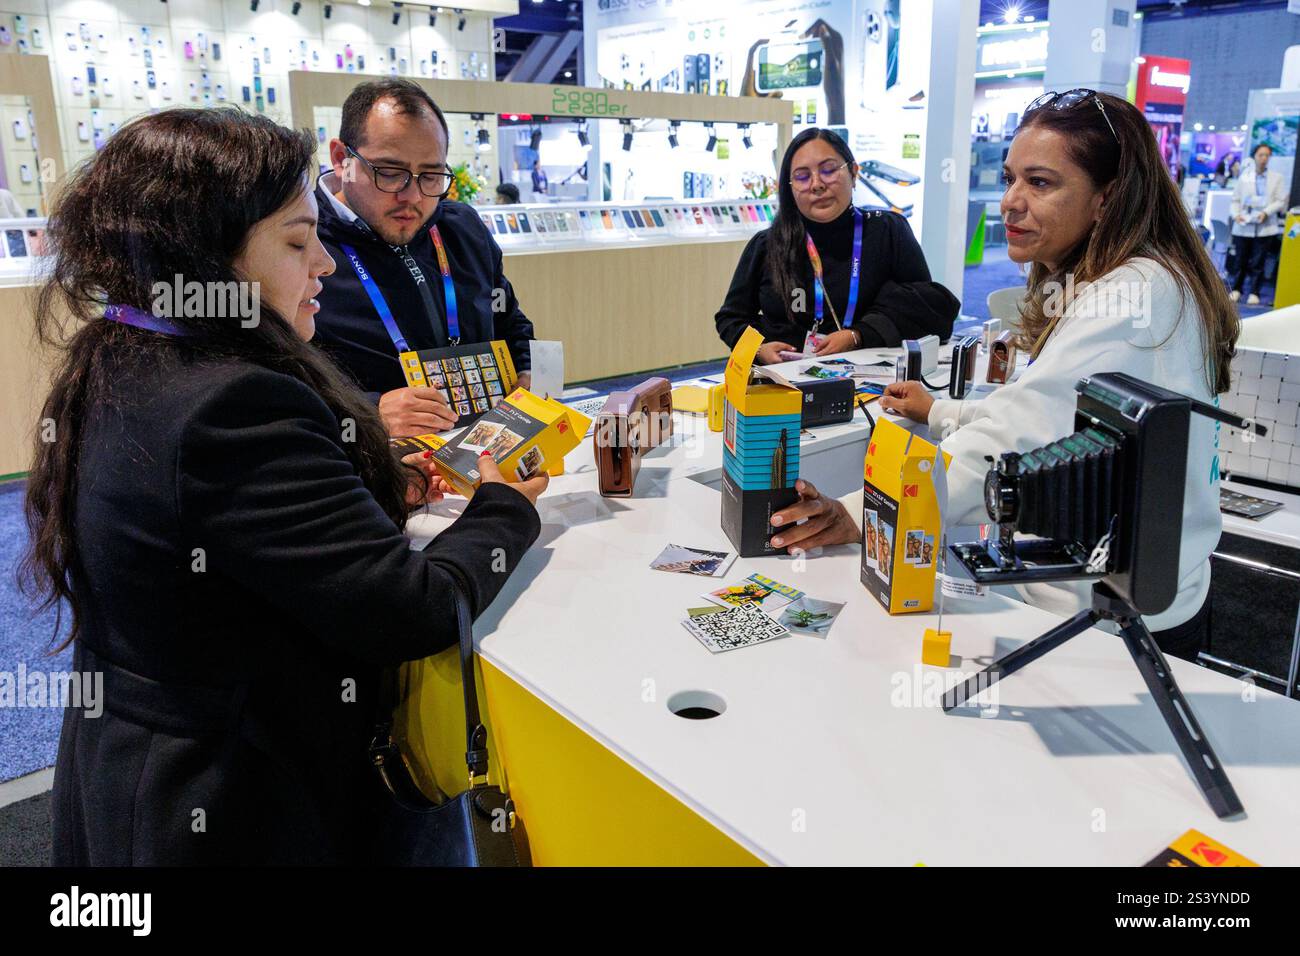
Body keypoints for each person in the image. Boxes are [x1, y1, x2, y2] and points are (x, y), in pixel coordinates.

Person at [22, 108, 548, 865]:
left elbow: (234, 540)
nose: (324, 266)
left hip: (144, 767)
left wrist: (363, 490)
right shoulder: (232, 402)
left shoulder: (129, 348)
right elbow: (412, 609)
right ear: (210, 262)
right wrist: (505, 508)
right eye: (297, 243)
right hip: (234, 795)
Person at [766, 91, 1238, 661]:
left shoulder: (1131, 297)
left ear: (1107, 198)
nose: (1010, 201)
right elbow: (1055, 411)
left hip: (1109, 627)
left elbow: (1014, 441)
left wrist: (865, 514)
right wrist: (941, 412)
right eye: (1012, 178)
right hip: (1132, 602)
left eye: (1040, 183)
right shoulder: (1142, 280)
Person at [313, 79, 534, 437]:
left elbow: (508, 319)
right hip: (370, 468)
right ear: (342, 160)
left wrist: (527, 369)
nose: (412, 196)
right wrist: (367, 412)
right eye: (389, 172)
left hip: (483, 453)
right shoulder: (302, 244)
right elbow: (268, 386)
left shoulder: (462, 228)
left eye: (431, 175)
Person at [715, 127, 958, 365]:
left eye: (829, 170)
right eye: (802, 176)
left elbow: (929, 308)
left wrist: (858, 335)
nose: (817, 184)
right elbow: (730, 318)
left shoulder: (887, 231)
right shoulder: (768, 245)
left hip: (866, 378)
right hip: (783, 381)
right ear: (789, 188)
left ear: (853, 173)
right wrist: (758, 349)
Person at [1229, 143, 1286, 306]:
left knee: (1258, 261)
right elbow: (1235, 200)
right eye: (1261, 155)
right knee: (1240, 259)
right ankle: (1237, 289)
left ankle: (1254, 291)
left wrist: (1266, 212)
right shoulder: (1244, 177)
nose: (1264, 158)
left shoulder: (1277, 178)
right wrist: (1236, 215)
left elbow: (1280, 201)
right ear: (1255, 156)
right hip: (1243, 224)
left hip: (1265, 226)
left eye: (1267, 155)